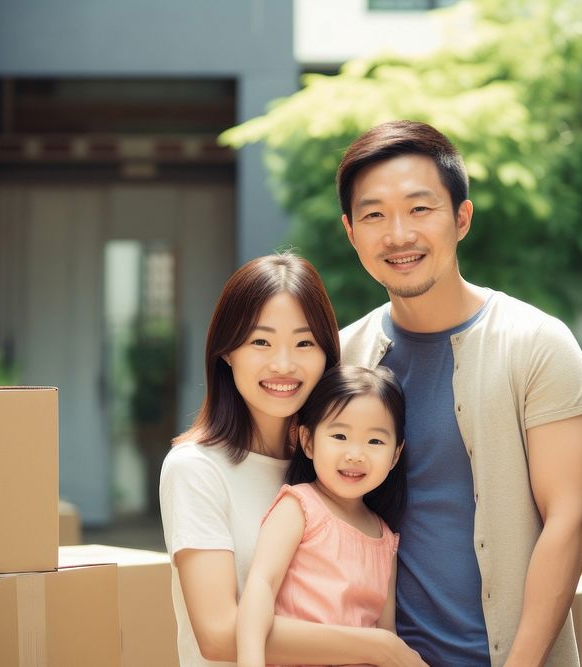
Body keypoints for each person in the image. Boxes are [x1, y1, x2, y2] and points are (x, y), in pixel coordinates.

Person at [336, 120, 582, 667]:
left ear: (461, 218)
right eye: (374, 214)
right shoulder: (341, 359)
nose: (398, 234)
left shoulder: (535, 343)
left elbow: (569, 520)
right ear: (350, 231)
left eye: (419, 208)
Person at [159, 253, 427, 667]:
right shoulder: (196, 469)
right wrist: (378, 646)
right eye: (260, 341)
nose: (283, 364)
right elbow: (216, 635)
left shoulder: (334, 465)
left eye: (304, 343)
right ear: (227, 352)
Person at [236, 365, 408, 667]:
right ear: (308, 441)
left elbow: (386, 634)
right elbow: (261, 584)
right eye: (340, 435)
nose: (355, 454)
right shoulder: (299, 506)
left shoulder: (385, 538)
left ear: (395, 455)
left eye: (375, 441)